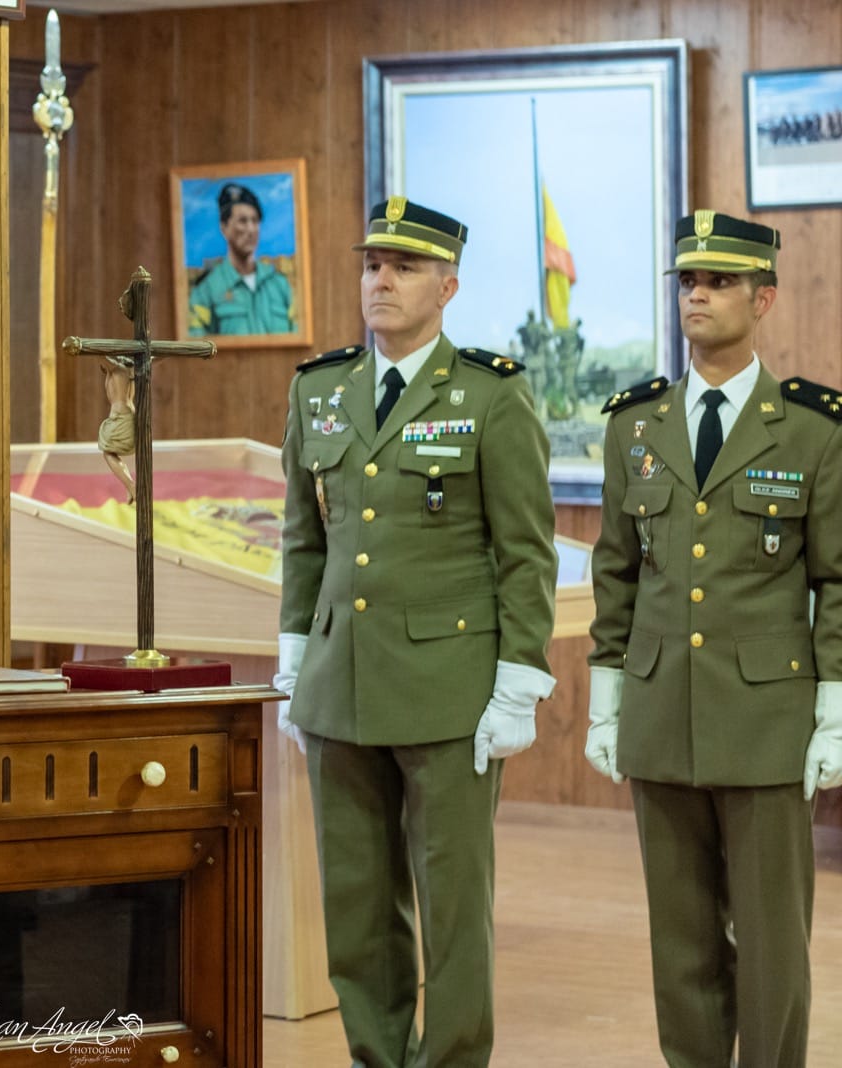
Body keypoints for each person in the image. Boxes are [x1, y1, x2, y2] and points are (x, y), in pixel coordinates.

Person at [274, 197, 558, 1067]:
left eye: (403, 267)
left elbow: (525, 553)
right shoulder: (320, 390)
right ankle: (378, 1056)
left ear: (448, 286)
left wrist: (518, 683)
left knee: (453, 910)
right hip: (340, 686)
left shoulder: (490, 395)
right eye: (371, 264)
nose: (382, 280)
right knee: (357, 910)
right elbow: (303, 540)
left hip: (448, 694)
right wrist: (295, 660)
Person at [585, 211, 842, 1067]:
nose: (697, 294)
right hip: (661, 716)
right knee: (681, 944)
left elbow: (837, 580)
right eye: (688, 281)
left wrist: (836, 713)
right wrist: (607, 700)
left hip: (766, 724)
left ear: (763, 299)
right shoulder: (636, 425)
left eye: (720, 282)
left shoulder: (811, 428)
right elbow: (617, 571)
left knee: (771, 946)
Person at [187, 181, 295, 336]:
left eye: (255, 221)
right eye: (242, 221)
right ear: (224, 227)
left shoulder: (279, 285)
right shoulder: (207, 290)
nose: (251, 229)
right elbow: (196, 343)